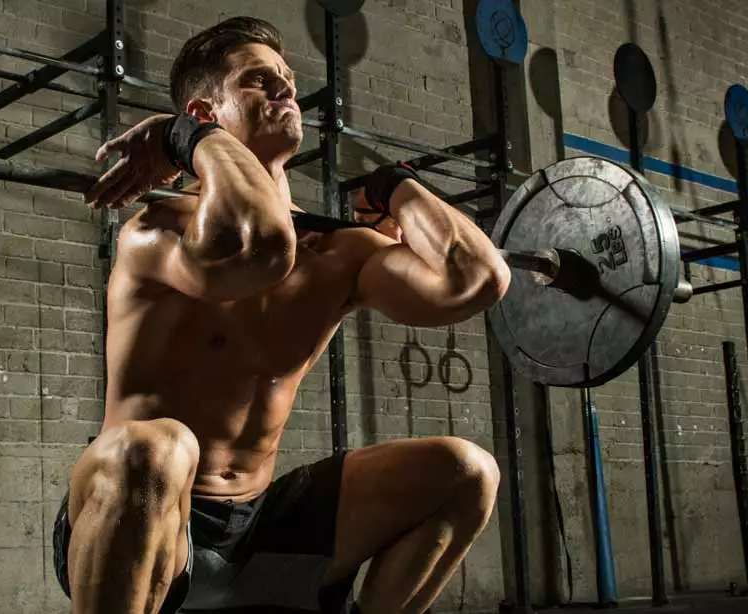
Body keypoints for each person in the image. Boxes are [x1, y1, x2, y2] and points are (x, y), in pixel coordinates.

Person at [52, 15, 514, 614]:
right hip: (147, 520)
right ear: (206, 111)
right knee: (157, 448)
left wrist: (395, 186)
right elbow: (257, 246)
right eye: (258, 81)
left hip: (260, 528)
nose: (286, 90)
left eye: (288, 79)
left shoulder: (337, 253)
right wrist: (184, 139)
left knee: (467, 471)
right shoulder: (158, 231)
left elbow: (476, 279)